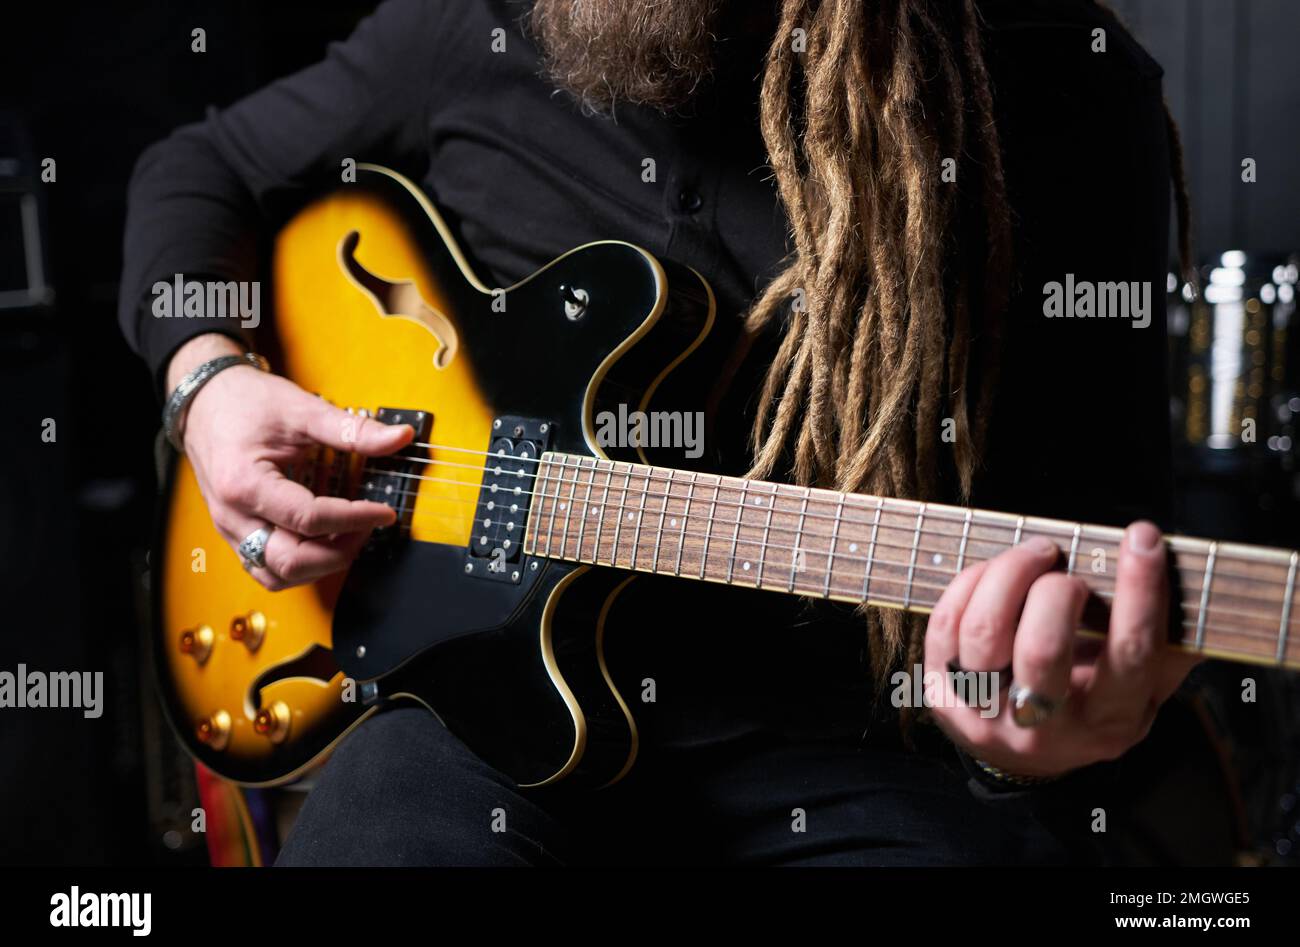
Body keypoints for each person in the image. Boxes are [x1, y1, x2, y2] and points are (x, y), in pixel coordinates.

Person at [120, 0, 1197, 865]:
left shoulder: (1062, 82)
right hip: (471, 710)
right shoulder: (477, 23)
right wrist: (206, 383)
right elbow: (196, 168)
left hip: (875, 759)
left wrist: (1034, 740)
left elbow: (1105, 584)